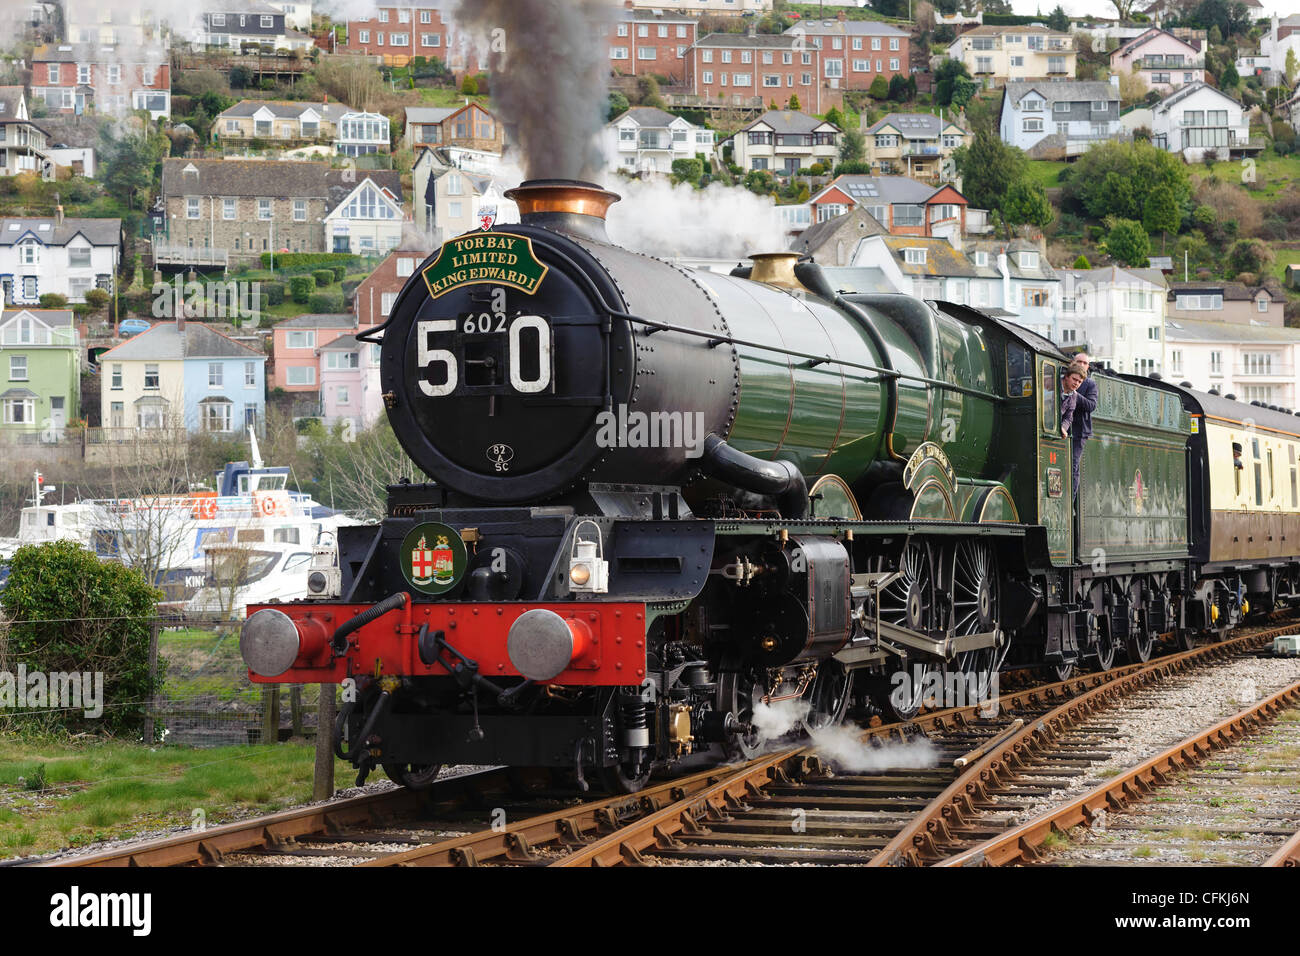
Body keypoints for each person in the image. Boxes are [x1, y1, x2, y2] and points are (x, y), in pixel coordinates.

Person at [1060, 359, 1095, 500]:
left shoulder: (1082, 390)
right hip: (1057, 429)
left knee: (1073, 466)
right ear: (1067, 376)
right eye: (1074, 380)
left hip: (1079, 431)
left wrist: (1063, 427)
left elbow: (1070, 416)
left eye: (1079, 382)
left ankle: (1071, 502)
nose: (1076, 384)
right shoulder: (1053, 384)